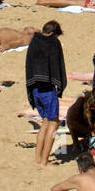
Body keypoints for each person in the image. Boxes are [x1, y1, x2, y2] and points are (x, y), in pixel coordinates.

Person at [25, 20, 67, 168]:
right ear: (54, 33)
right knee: (53, 123)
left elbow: (29, 64)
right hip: (47, 89)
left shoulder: (34, 41)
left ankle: (38, 159)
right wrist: (60, 85)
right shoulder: (52, 43)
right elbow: (58, 65)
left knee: (44, 122)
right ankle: (44, 161)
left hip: (35, 88)